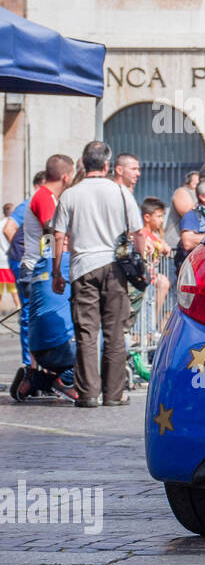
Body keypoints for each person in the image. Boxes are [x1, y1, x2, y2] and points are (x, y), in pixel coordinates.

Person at [50, 141, 146, 408]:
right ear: (106, 165)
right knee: (114, 333)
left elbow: (59, 235)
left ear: (84, 162)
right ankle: (114, 394)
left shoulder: (70, 194)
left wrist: (57, 271)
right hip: (114, 267)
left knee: (86, 333)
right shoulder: (119, 192)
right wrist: (141, 264)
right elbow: (138, 232)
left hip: (82, 267)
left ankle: (88, 393)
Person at [12, 156, 78, 400]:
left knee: (44, 324)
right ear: (65, 176)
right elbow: (52, 232)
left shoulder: (47, 197)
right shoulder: (44, 197)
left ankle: (37, 376)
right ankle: (37, 372)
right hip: (38, 269)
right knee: (42, 323)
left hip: (41, 267)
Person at [2, 171, 49, 365]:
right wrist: (25, 251)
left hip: (33, 262)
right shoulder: (30, 203)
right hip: (25, 262)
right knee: (30, 313)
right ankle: (30, 364)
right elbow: (8, 228)